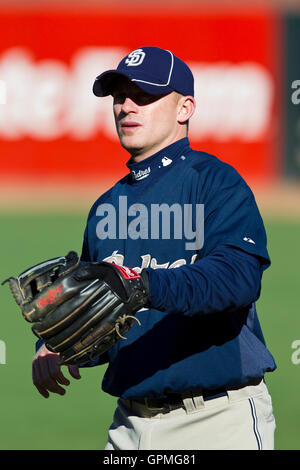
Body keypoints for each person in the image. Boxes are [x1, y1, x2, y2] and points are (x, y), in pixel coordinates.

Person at [33, 46, 277, 450]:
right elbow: (106, 319)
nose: (126, 106)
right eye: (118, 96)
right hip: (129, 427)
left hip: (216, 422)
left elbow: (236, 280)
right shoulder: (106, 208)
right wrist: (62, 342)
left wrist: (141, 284)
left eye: (144, 95)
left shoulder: (215, 182)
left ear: (185, 109)